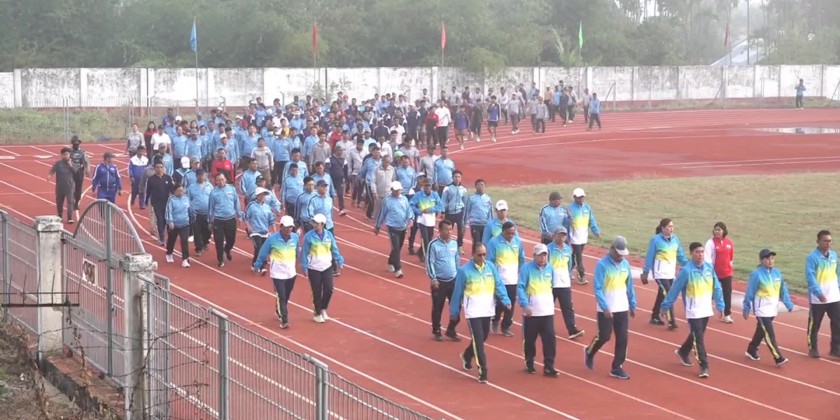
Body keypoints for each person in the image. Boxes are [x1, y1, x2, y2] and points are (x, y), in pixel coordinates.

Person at [661, 242, 725, 379]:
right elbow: (675, 290)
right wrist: (665, 306)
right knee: (699, 339)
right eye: (697, 252)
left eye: (702, 252)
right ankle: (704, 365)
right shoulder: (686, 271)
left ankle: (683, 351)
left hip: (706, 309)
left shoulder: (709, 268)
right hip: (693, 311)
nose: (700, 254)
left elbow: (717, 287)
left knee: (697, 335)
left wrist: (720, 305)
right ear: (691, 254)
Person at [451, 242, 511, 384]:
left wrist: (505, 299)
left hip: (487, 309)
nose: (483, 257)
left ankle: (467, 355)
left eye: (484, 254)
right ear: (473, 254)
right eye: (480, 255)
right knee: (478, 341)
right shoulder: (464, 271)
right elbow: (457, 292)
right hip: (473, 312)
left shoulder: (490, 267)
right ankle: (483, 371)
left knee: (483, 337)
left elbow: (498, 284)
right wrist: (454, 311)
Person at [584, 236, 636, 380]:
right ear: (612, 249)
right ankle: (589, 351)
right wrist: (605, 307)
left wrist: (632, 303)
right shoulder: (602, 265)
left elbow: (629, 285)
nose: (621, 256)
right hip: (606, 309)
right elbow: (597, 288)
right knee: (604, 336)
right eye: (618, 253)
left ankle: (617, 367)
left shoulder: (625, 264)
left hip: (622, 307)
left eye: (623, 253)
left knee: (623, 338)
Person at [743, 249, 794, 366]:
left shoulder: (777, 273)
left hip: (772, 309)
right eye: (767, 259)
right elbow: (750, 292)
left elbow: (783, 290)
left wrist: (788, 304)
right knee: (769, 334)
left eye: (772, 258)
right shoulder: (756, 274)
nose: (770, 261)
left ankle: (751, 349)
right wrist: (746, 307)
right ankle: (778, 357)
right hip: (761, 310)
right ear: (761, 260)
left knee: (761, 331)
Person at [518, 243, 559, 377]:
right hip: (532, 312)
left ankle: (549, 366)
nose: (543, 258)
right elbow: (520, 288)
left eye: (545, 255)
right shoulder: (526, 269)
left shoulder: (550, 269)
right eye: (540, 255)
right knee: (530, 339)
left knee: (550, 340)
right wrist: (525, 305)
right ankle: (529, 362)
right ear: (534, 255)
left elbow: (552, 286)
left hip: (547, 312)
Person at [641, 218, 688, 330]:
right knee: (669, 294)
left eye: (672, 226)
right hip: (660, 274)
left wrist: (688, 265)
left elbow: (680, 255)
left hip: (670, 273)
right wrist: (645, 272)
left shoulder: (675, 239)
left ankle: (655, 316)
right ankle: (671, 321)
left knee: (662, 294)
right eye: (669, 226)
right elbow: (650, 257)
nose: (672, 229)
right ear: (663, 228)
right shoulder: (655, 240)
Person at [254, 216, 299, 329]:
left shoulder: (295, 237)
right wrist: (257, 265)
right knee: (281, 296)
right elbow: (263, 252)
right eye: (287, 227)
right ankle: (284, 319)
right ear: (281, 226)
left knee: (286, 295)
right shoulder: (272, 239)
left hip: (291, 273)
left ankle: (279, 309)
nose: (289, 229)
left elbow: (297, 251)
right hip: (278, 273)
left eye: (291, 227)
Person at [302, 214, 345, 323]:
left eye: (317, 223)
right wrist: (304, 266)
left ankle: (323, 308)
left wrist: (339, 261)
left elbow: (334, 248)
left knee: (329, 289)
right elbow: (304, 252)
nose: (314, 225)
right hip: (314, 267)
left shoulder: (329, 235)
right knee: (316, 291)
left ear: (322, 224)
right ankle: (317, 313)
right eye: (314, 223)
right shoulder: (308, 236)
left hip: (326, 266)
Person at [805, 230, 840, 359]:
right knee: (814, 324)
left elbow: (838, 273)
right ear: (818, 242)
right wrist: (818, 293)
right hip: (818, 298)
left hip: (834, 297)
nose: (828, 243)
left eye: (830, 241)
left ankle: (835, 349)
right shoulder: (812, 258)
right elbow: (810, 277)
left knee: (837, 322)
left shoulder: (834, 256)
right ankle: (813, 348)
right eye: (825, 241)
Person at [486, 221, 525, 336]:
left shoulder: (517, 242)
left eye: (513, 233)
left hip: (513, 279)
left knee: (511, 303)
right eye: (509, 233)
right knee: (500, 303)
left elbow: (521, 258)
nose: (511, 236)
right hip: (499, 280)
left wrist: (521, 272)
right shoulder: (494, 242)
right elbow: (489, 261)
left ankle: (506, 326)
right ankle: (496, 318)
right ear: (503, 232)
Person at [548, 227, 584, 339]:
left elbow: (569, 265)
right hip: (550, 284)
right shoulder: (548, 249)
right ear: (554, 235)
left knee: (568, 308)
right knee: (547, 307)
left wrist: (565, 276)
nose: (562, 237)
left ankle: (572, 330)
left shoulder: (568, 249)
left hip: (564, 284)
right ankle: (544, 328)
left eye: (564, 235)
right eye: (559, 235)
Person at [426, 219, 460, 341]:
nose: (449, 232)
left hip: (453, 281)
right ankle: (436, 330)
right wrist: (433, 278)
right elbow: (430, 262)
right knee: (438, 307)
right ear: (440, 230)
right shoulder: (433, 245)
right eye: (446, 229)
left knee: (456, 307)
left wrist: (459, 276)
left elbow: (457, 260)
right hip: (439, 282)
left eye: (451, 229)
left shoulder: (454, 243)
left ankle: (451, 329)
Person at [374, 181, 413, 279]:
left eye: (399, 190)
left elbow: (408, 210)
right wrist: (377, 226)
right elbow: (382, 213)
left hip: (402, 227)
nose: (397, 192)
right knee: (396, 248)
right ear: (392, 190)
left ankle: (390, 262)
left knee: (398, 248)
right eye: (395, 190)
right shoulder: (387, 201)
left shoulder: (404, 199)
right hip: (392, 227)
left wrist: (411, 219)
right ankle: (398, 269)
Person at [208, 173, 242, 268]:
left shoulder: (231, 189)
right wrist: (210, 221)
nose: (221, 181)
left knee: (231, 239)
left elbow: (236, 202)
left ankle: (227, 249)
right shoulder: (213, 192)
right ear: (215, 181)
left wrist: (239, 216)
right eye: (218, 180)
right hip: (218, 220)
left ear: (225, 180)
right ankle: (220, 259)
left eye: (222, 179)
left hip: (230, 219)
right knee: (218, 240)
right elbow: (211, 207)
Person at [567, 188, 600, 285]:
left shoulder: (587, 208)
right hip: (574, 238)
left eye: (582, 197)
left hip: (583, 238)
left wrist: (595, 230)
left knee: (574, 256)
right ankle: (581, 276)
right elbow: (567, 223)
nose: (581, 198)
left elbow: (591, 220)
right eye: (579, 197)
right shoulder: (570, 208)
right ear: (574, 197)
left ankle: (567, 271)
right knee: (578, 257)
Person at [704, 222, 735, 323]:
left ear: (724, 231)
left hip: (727, 273)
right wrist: (710, 271)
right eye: (715, 229)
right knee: (710, 293)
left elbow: (731, 257)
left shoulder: (729, 242)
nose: (717, 232)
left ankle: (727, 314)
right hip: (714, 273)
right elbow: (707, 259)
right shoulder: (710, 243)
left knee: (727, 294)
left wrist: (729, 266)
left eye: (719, 230)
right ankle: (704, 310)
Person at [410, 179, 443, 260]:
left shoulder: (435, 195)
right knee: (425, 239)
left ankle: (420, 252)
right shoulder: (418, 195)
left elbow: (440, 206)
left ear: (431, 186)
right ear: (423, 186)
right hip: (421, 220)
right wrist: (419, 211)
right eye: (426, 185)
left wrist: (430, 210)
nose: (427, 187)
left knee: (430, 237)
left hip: (431, 220)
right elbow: (411, 205)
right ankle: (426, 256)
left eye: (429, 185)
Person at [245, 187, 276, 270]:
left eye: (264, 195)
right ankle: (260, 266)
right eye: (261, 195)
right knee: (258, 248)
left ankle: (257, 264)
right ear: (257, 195)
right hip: (255, 231)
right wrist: (249, 227)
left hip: (265, 232)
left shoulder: (267, 207)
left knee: (264, 249)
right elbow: (246, 217)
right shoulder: (251, 206)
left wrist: (274, 231)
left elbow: (272, 220)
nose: (263, 196)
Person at [145, 160, 174, 245]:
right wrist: (146, 201)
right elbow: (148, 191)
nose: (159, 169)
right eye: (157, 167)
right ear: (154, 168)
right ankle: (162, 238)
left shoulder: (168, 178)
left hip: (166, 203)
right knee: (160, 220)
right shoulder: (151, 179)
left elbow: (172, 189)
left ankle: (166, 236)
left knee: (165, 220)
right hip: (156, 203)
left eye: (161, 167)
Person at [164, 183, 192, 268]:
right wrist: (170, 222)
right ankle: (169, 253)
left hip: (185, 224)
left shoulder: (186, 198)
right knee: (171, 240)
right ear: (174, 191)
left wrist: (192, 218)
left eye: (182, 191)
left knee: (184, 241)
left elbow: (190, 209)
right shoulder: (171, 199)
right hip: (174, 224)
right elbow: (168, 211)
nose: (180, 193)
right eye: (178, 191)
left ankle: (185, 259)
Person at [47, 148, 76, 224]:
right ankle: (60, 215)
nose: (66, 156)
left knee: (70, 202)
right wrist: (50, 176)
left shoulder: (73, 163)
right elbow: (52, 171)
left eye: (67, 154)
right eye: (64, 154)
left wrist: (70, 165)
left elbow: (76, 172)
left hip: (69, 187)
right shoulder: (58, 164)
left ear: (70, 155)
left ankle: (70, 217)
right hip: (60, 186)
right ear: (62, 155)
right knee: (59, 202)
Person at [187, 169, 212, 256]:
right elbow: (189, 199)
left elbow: (213, 198)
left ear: (205, 175)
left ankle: (205, 242)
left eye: (202, 175)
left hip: (207, 213)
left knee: (207, 231)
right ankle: (198, 249)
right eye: (199, 175)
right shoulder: (192, 187)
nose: (201, 176)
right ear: (196, 176)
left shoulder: (209, 186)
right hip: (196, 213)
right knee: (197, 232)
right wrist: (191, 209)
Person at [442, 170, 467, 255]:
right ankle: (447, 245)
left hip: (459, 212)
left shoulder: (463, 189)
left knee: (461, 231)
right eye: (455, 177)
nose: (457, 178)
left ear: (461, 178)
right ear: (452, 178)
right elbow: (443, 200)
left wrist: (464, 213)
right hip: (450, 213)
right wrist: (443, 212)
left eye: (459, 177)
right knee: (448, 230)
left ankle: (459, 246)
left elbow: (465, 201)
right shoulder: (447, 188)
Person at [464, 178, 492, 246]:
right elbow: (466, 211)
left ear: (484, 186)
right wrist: (464, 223)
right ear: (475, 186)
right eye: (478, 185)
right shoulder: (471, 198)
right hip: (475, 224)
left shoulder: (488, 198)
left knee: (484, 244)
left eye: (482, 185)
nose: (480, 187)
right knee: (476, 243)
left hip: (485, 225)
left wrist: (491, 224)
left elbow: (490, 213)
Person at [69, 136, 91, 221]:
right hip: (70, 172)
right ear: (72, 143)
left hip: (79, 172)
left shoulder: (82, 152)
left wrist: (88, 170)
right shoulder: (69, 151)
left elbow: (87, 161)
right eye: (75, 143)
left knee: (79, 189)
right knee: (71, 188)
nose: (76, 145)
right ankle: (71, 203)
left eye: (77, 143)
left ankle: (76, 202)